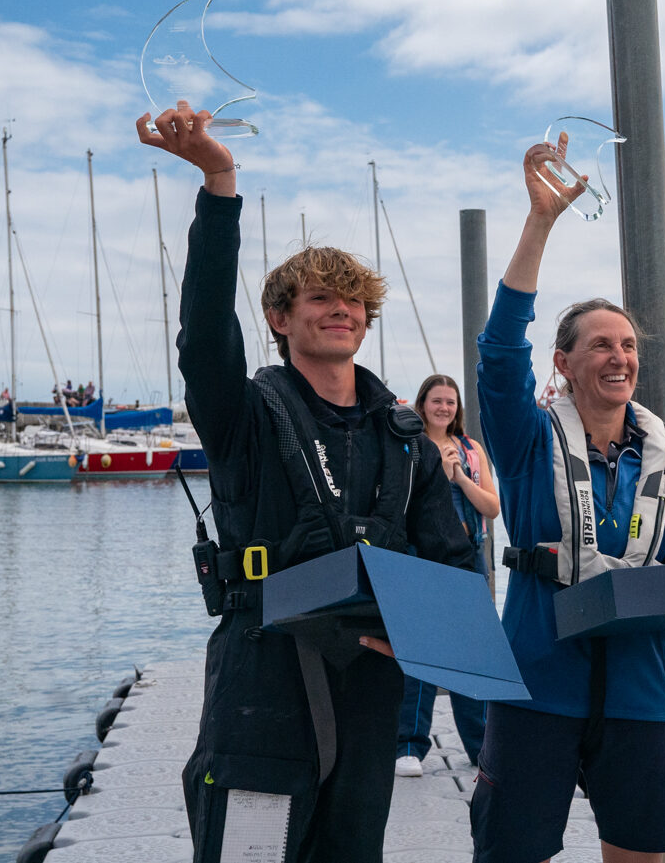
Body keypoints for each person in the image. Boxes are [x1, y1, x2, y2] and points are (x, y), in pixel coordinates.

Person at [141, 100, 477, 863]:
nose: (341, 310)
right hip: (263, 678)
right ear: (278, 316)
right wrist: (219, 184)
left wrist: (425, 642)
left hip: (370, 684)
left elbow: (452, 563)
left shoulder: (408, 438)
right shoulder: (244, 415)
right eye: (320, 298)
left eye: (353, 300)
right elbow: (202, 335)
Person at [471, 134, 665, 863]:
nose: (620, 357)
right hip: (535, 683)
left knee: (642, 856)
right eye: (601, 345)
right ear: (564, 362)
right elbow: (497, 355)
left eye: (629, 346)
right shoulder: (526, 439)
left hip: (641, 691)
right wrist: (541, 224)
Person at [397, 373, 500, 776]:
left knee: (471, 652)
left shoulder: (471, 450)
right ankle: (409, 746)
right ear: (423, 404)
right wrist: (436, 473)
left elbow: (491, 508)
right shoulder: (408, 446)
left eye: (450, 402)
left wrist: (459, 477)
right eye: (436, 401)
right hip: (420, 554)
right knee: (422, 650)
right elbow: (400, 501)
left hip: (467, 555)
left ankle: (481, 746)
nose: (443, 408)